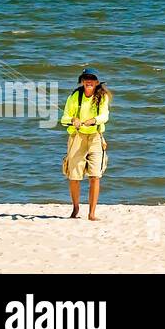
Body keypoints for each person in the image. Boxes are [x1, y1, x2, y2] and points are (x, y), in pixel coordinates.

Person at [61, 67, 110, 220]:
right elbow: (64, 118)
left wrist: (94, 120)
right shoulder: (75, 96)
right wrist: (72, 120)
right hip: (77, 137)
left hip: (95, 137)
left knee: (95, 175)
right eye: (85, 78)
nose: (88, 81)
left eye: (91, 78)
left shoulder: (102, 96)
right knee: (74, 176)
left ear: (96, 82)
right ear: (82, 81)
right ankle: (75, 208)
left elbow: (105, 116)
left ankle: (92, 213)